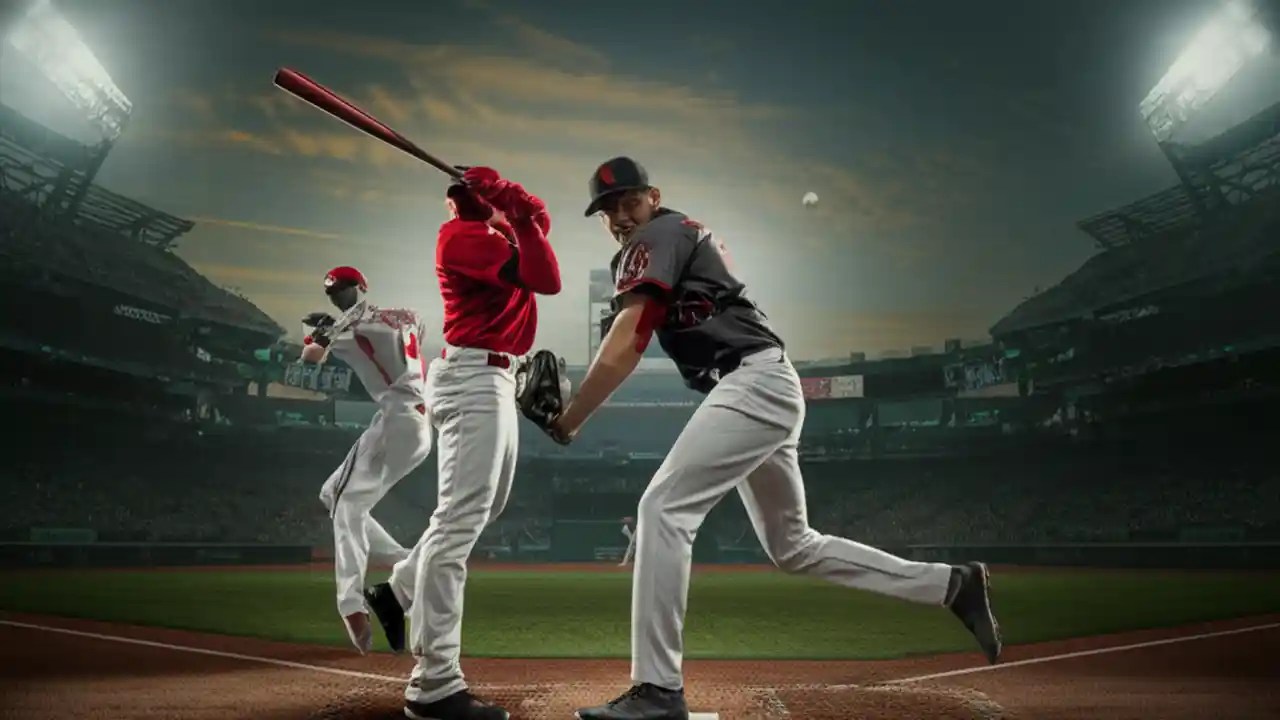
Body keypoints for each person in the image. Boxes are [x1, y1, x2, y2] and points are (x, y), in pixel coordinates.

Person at [552, 157, 1003, 720]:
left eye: (629, 202)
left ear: (654, 197)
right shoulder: (662, 242)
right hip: (760, 383)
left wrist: (571, 418)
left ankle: (658, 690)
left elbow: (628, 342)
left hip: (752, 382)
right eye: (609, 209)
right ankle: (951, 585)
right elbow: (624, 335)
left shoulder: (661, 231)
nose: (620, 216)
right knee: (792, 545)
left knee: (662, 509)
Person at [400, 166, 561, 720]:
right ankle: (434, 683)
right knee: (459, 520)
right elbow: (547, 278)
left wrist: (512, 197)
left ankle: (398, 590)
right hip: (471, 375)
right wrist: (506, 206)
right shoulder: (463, 238)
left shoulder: (500, 230)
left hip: (492, 376)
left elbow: (539, 217)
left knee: (486, 507)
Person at [300, 266, 434, 656]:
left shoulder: (344, 328)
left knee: (346, 504)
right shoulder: (404, 314)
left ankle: (352, 606)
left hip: (396, 416)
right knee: (333, 494)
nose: (336, 297)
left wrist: (323, 332)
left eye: (340, 290)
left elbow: (310, 359)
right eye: (333, 292)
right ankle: (410, 564)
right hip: (418, 424)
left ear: (358, 287)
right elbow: (412, 334)